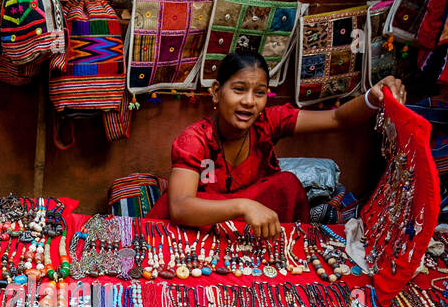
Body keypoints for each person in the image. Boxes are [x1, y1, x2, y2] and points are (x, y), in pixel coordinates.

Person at [149, 50, 407, 237]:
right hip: (196, 226)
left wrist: (374, 97)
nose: (249, 102)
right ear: (216, 92)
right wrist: (244, 206)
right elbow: (180, 206)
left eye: (259, 93)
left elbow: (337, 118)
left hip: (247, 227)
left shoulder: (268, 123)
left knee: (287, 184)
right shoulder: (196, 139)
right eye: (239, 89)